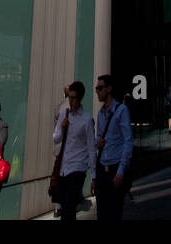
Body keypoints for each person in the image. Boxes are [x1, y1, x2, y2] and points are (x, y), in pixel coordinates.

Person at [52, 81, 96, 221]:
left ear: (80, 98)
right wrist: (63, 129)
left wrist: (94, 176)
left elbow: (91, 147)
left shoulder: (87, 120)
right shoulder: (65, 115)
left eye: (74, 98)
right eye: (69, 97)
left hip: (78, 168)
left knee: (69, 207)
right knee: (66, 207)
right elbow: (56, 138)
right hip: (64, 168)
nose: (71, 101)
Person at [93, 75, 132, 221]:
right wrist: (98, 142)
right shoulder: (100, 113)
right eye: (96, 88)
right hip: (102, 168)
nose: (97, 91)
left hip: (115, 169)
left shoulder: (121, 111)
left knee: (114, 213)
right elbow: (98, 137)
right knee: (101, 214)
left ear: (109, 89)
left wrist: (121, 171)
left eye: (99, 88)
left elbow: (128, 141)